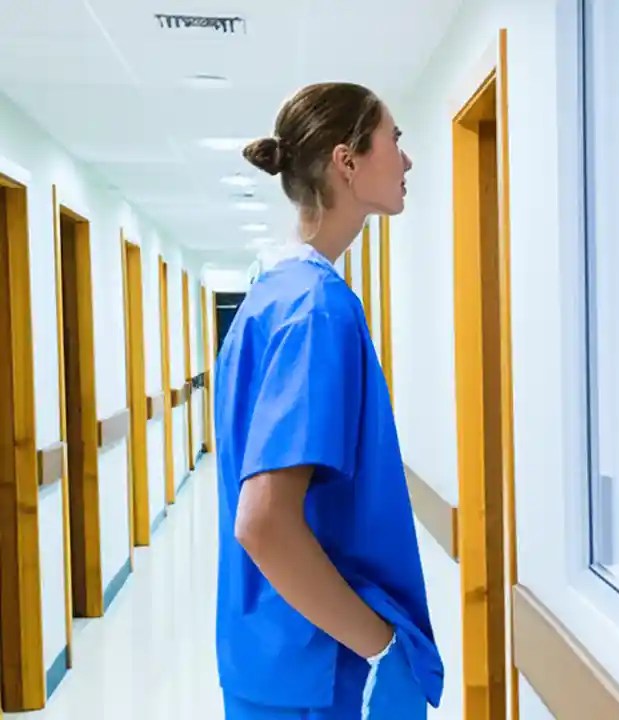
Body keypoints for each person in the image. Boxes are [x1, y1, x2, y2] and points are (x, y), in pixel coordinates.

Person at [213, 82, 443, 719]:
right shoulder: (316, 309)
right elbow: (263, 521)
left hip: (275, 662)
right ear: (347, 161)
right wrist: (382, 649)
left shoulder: (270, 297)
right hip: (323, 674)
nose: (406, 158)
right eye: (394, 140)